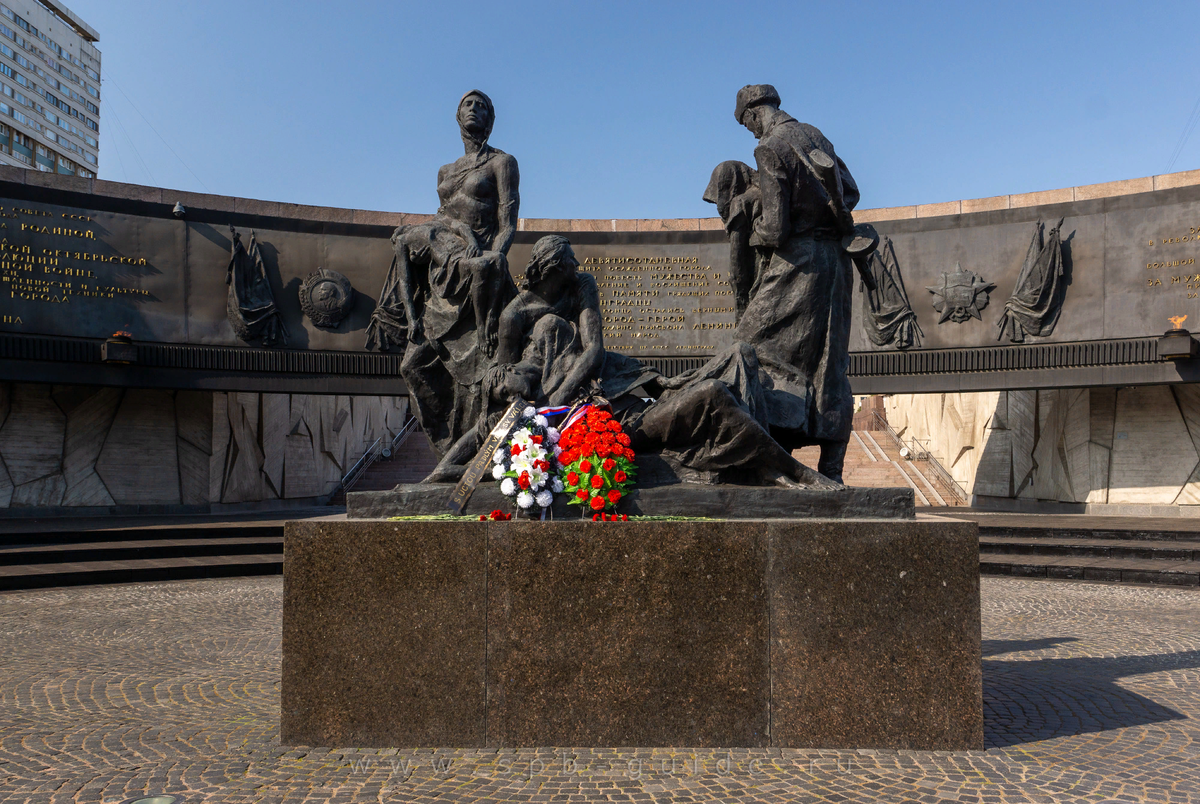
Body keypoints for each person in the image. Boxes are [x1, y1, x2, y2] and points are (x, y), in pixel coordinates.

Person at [732, 84, 860, 483]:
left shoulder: (769, 148)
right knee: (828, 360)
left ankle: (775, 455)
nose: (750, 130)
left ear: (755, 111)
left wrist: (748, 222)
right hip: (835, 263)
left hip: (797, 263)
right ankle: (831, 469)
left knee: (752, 349)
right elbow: (851, 192)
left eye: (747, 122)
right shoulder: (814, 134)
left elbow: (775, 227)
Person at [390, 90, 521, 459]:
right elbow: (443, 216)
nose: (474, 109)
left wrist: (494, 261)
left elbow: (508, 221)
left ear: (491, 119)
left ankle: (477, 452)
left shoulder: (502, 162)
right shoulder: (445, 171)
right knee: (412, 365)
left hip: (481, 272)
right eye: (468, 104)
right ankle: (448, 450)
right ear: (458, 115)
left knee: (485, 363)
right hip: (445, 275)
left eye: (482, 105)